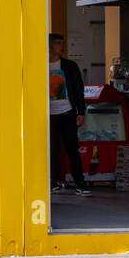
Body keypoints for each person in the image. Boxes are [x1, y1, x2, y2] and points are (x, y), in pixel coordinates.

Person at [49, 33, 91, 196]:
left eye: (62, 42)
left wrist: (81, 112)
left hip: (67, 112)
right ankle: (54, 182)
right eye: (58, 43)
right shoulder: (40, 65)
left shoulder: (70, 66)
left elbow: (78, 90)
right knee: (52, 150)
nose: (62, 46)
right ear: (50, 46)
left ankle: (80, 183)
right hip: (48, 115)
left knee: (72, 149)